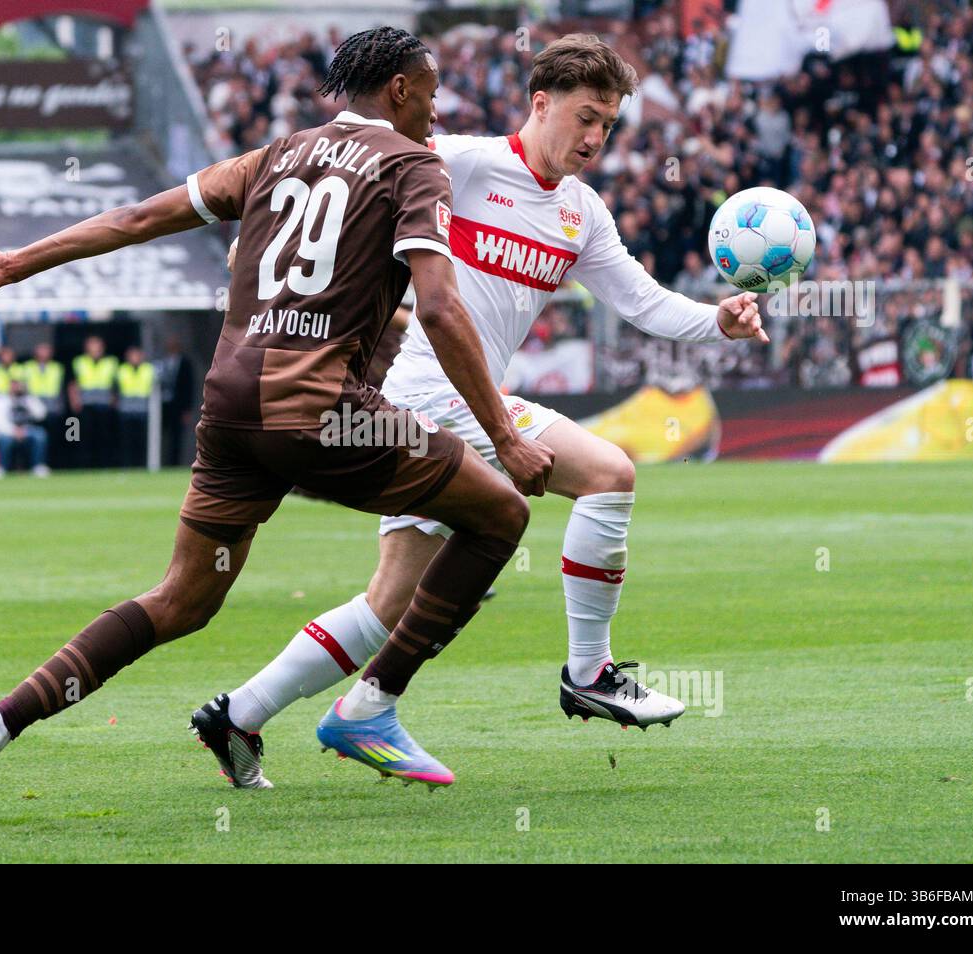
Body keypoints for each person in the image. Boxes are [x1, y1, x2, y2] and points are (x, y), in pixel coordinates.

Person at [0, 26, 553, 821]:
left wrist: (14, 263)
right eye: (429, 90)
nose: (436, 107)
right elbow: (442, 305)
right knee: (500, 512)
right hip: (319, 411)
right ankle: (372, 703)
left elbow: (140, 217)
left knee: (184, 598)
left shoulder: (275, 154)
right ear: (397, 89)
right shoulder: (410, 164)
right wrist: (508, 432)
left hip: (229, 403)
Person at [206, 33, 769, 787]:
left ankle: (240, 713)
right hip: (426, 398)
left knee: (387, 601)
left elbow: (642, 301)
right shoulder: (461, 163)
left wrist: (716, 320)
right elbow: (352, 196)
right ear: (542, 103)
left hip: (468, 400)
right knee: (607, 474)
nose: (597, 137)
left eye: (609, 124)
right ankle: (586, 672)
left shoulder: (581, 212)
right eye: (587, 116)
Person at [69, 335, 118, 468]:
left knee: (105, 437)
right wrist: (74, 401)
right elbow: (73, 383)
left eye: (97, 345)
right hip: (85, 405)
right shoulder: (79, 362)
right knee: (82, 437)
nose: (95, 349)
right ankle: (84, 466)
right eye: (92, 345)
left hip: (104, 405)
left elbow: (116, 385)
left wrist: (114, 401)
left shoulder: (111, 362)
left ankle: (104, 465)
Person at [0, 379, 49, 477]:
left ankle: (38, 466)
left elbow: (41, 414)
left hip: (27, 431)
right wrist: (14, 431)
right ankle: (2, 467)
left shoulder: (28, 399)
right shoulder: (1, 400)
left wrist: (30, 402)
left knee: (40, 435)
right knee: (5, 440)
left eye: (18, 385)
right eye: (14, 385)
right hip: (8, 432)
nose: (16, 388)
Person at [21, 342, 65, 467]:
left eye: (47, 350)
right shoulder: (27, 367)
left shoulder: (57, 367)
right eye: (42, 349)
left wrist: (61, 408)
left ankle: (53, 465)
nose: (44, 353)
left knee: (54, 439)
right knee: (35, 439)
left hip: (52, 409)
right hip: (34, 410)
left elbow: (61, 389)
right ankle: (34, 465)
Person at [157, 336, 194, 466]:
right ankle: (162, 462)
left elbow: (189, 387)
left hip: (178, 407)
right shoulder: (162, 362)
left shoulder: (185, 363)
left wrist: (187, 410)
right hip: (164, 407)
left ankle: (175, 463)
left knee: (177, 437)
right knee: (161, 436)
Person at [116, 345, 155, 468]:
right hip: (126, 411)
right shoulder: (121, 370)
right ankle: (126, 465)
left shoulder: (149, 369)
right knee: (126, 441)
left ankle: (142, 466)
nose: (135, 358)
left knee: (142, 441)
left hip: (143, 411)